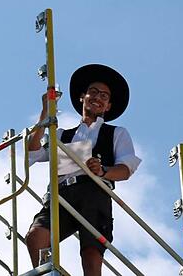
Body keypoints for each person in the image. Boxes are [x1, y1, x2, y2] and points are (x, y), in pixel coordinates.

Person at [25, 64, 142, 275]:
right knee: (36, 235)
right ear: (83, 97)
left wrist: (103, 171)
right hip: (62, 194)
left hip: (94, 192)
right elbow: (32, 151)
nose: (98, 98)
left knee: (91, 253)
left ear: (108, 106)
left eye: (104, 96)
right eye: (94, 92)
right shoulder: (61, 134)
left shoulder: (116, 133)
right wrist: (45, 113)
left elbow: (126, 169)